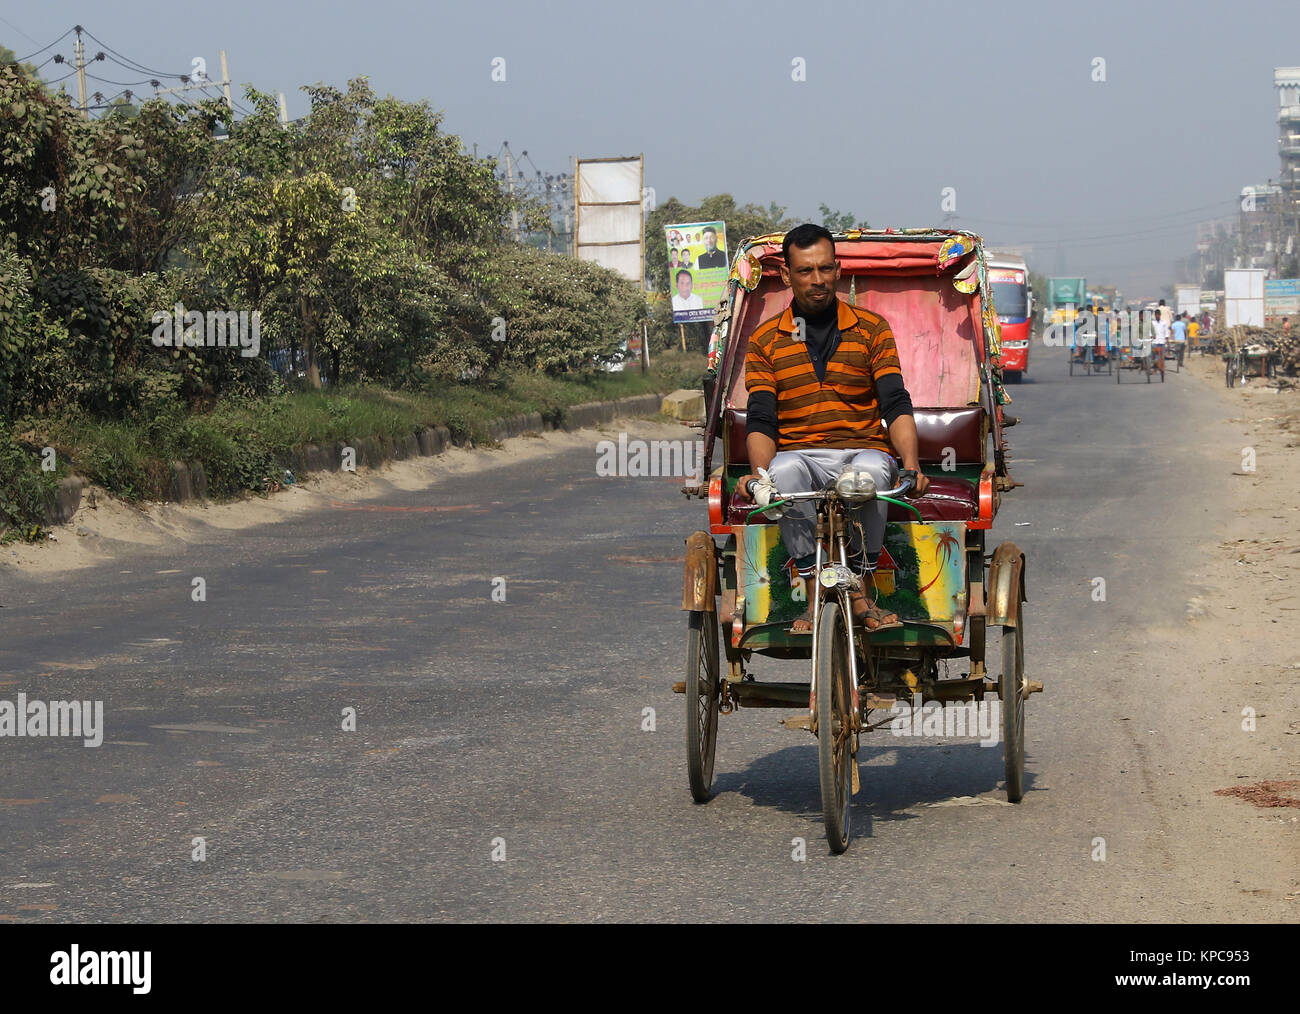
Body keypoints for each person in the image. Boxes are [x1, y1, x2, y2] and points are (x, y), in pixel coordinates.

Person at [736, 224, 929, 633]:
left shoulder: (872, 329)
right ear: (787, 276)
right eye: (805, 271)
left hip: (862, 450)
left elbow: (895, 401)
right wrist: (758, 476)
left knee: (873, 473)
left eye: (825, 269)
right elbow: (761, 417)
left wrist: (911, 465)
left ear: (838, 270)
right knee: (782, 473)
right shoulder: (766, 340)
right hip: (798, 456)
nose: (817, 280)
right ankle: (812, 588)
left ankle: (860, 591)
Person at [1150, 300, 1169, 377]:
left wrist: (1167, 337)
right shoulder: (1152, 323)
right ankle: (1155, 369)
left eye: (1158, 315)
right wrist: (1151, 336)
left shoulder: (1163, 322)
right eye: (1156, 315)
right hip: (1155, 342)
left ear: (1160, 315)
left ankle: (1161, 367)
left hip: (1162, 341)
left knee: (1162, 356)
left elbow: (1166, 331)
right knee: (1154, 356)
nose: (1157, 316)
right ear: (1155, 315)